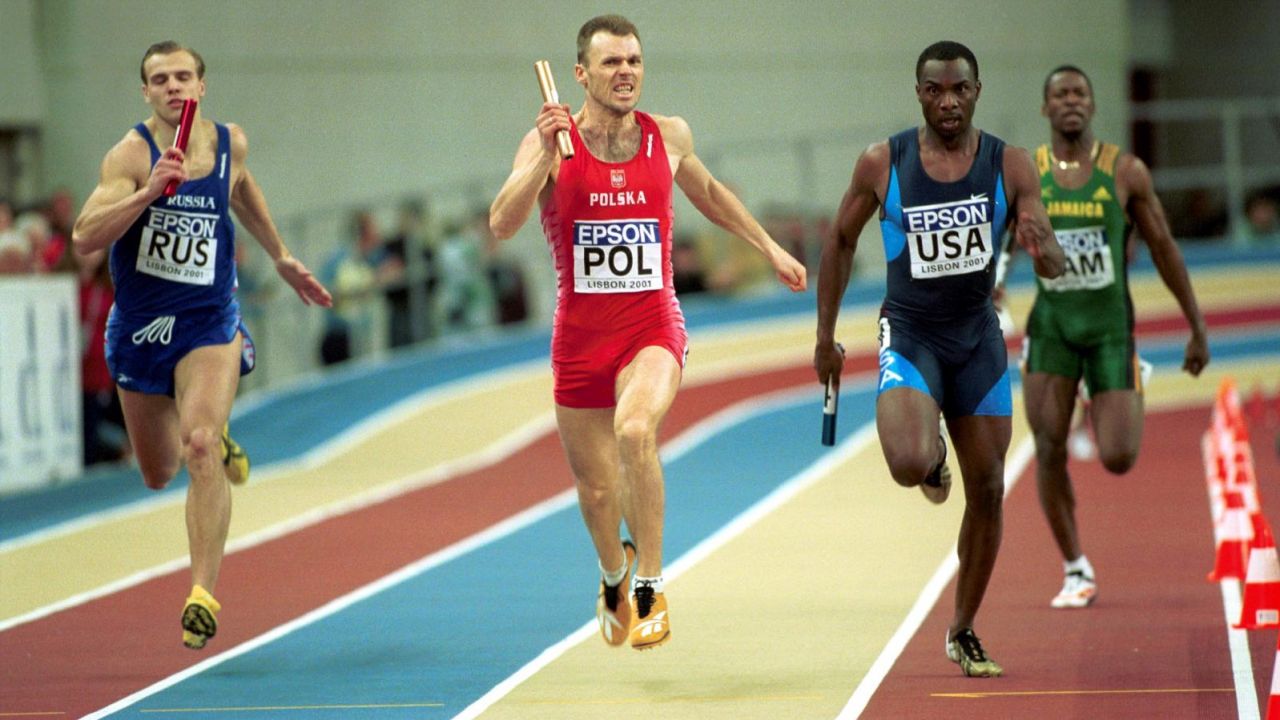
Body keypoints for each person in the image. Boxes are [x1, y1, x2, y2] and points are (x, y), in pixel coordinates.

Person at [490, 14, 806, 651]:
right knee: (598, 489)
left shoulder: (670, 135)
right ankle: (613, 570)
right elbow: (501, 223)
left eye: (633, 60)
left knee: (635, 430)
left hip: (651, 326)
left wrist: (769, 247)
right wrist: (540, 158)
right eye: (611, 63)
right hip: (579, 340)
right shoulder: (549, 143)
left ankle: (650, 586)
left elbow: (711, 193)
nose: (626, 72)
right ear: (580, 74)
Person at [814, 41, 1064, 678]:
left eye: (960, 89)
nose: (948, 101)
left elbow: (1036, 226)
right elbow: (841, 240)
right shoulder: (883, 161)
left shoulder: (1009, 163)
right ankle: (932, 453)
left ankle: (963, 627)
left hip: (977, 336)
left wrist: (1046, 247)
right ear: (918, 92)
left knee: (988, 491)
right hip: (913, 331)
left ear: (977, 90)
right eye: (935, 90)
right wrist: (825, 336)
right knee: (907, 463)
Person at [72, 41, 332, 650]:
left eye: (183, 76)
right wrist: (145, 193)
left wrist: (283, 256)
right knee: (159, 472)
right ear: (145, 93)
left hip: (207, 321)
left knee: (197, 444)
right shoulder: (130, 154)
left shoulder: (227, 143)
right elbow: (85, 236)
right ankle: (213, 435)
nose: (172, 87)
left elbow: (242, 191)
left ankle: (202, 594)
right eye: (159, 79)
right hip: (141, 330)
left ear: (202, 85)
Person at [993, 65, 1209, 610]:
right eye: (1060, 94)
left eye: (1079, 93)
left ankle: (1122, 381)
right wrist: (992, 290)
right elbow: (996, 244)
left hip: (1110, 327)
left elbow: (1163, 247)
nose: (1070, 101)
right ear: (1045, 108)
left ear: (1092, 105)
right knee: (1047, 446)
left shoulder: (1124, 171)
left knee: (1116, 455)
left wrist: (1196, 324)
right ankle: (1075, 568)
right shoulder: (1027, 171)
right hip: (1053, 329)